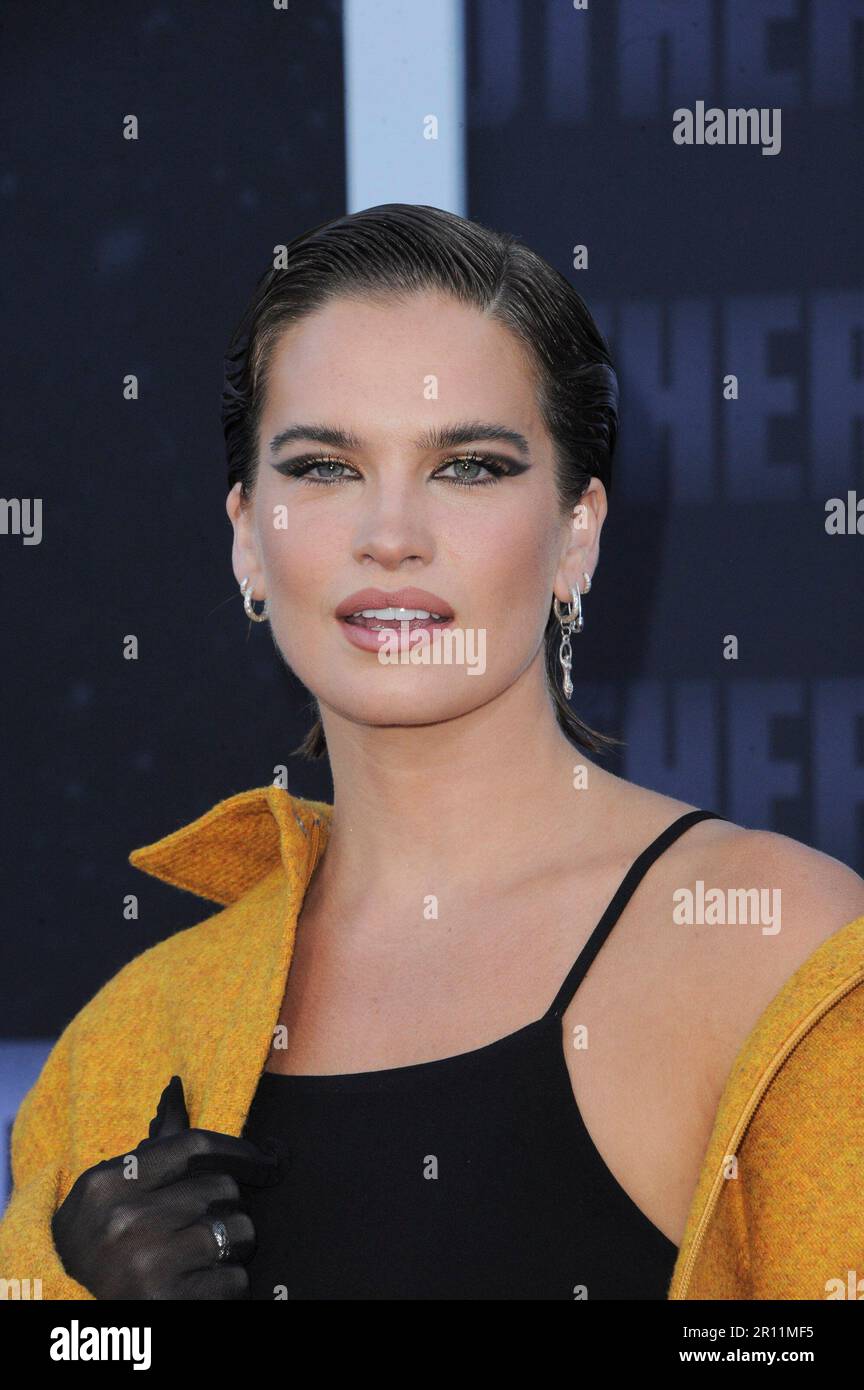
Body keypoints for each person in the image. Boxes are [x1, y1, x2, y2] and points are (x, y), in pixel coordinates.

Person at [2, 204, 863, 1301]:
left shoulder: (772, 945)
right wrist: (79, 1316)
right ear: (245, 536)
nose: (391, 532)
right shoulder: (132, 1036)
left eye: (468, 466)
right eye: (323, 466)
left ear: (577, 532)